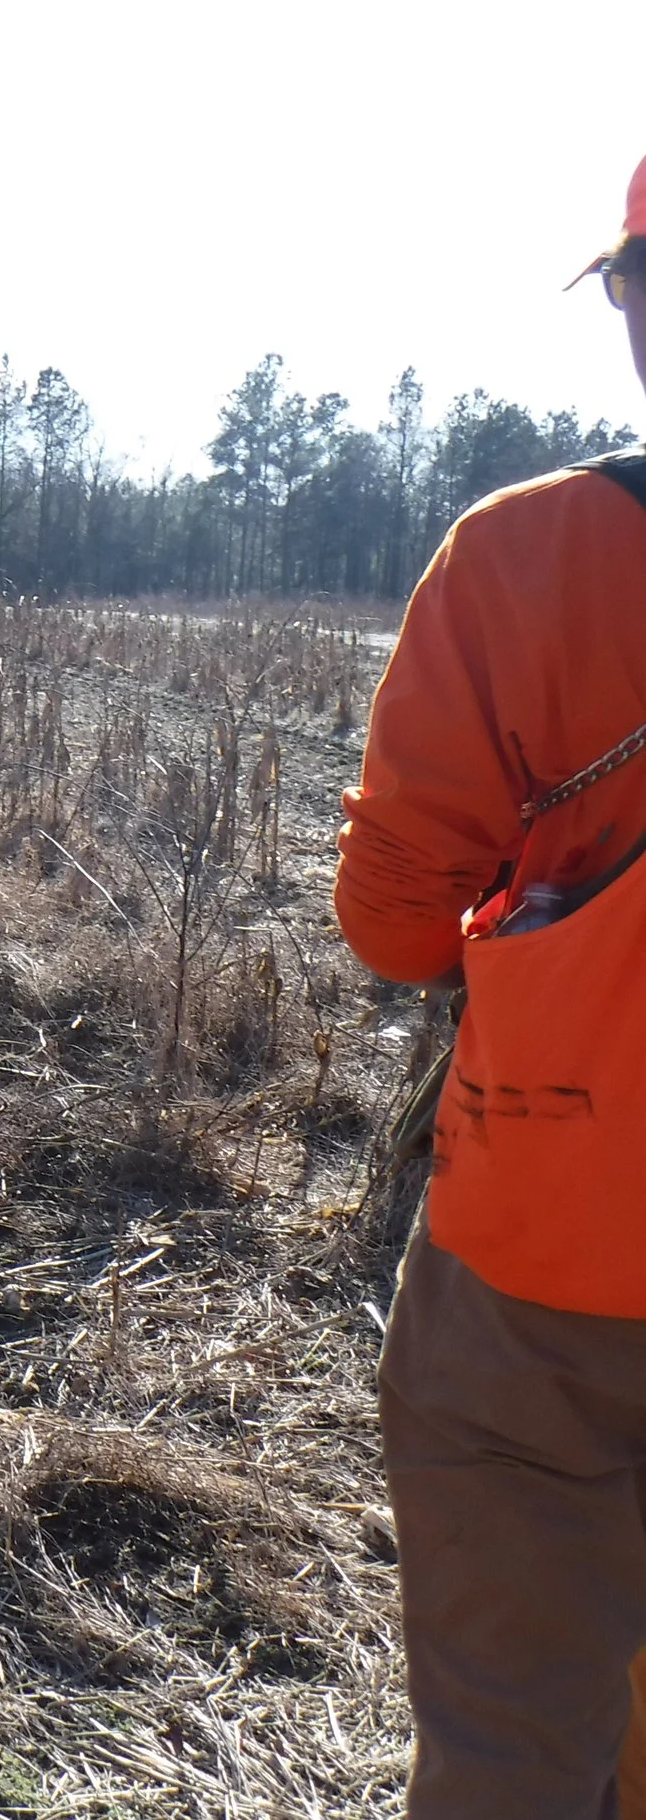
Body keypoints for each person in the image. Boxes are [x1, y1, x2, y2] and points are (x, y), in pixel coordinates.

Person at [337, 153, 646, 1814]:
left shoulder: (519, 563)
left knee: (516, 1741)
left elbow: (392, 927)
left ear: (629, 303)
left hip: (555, 1258)